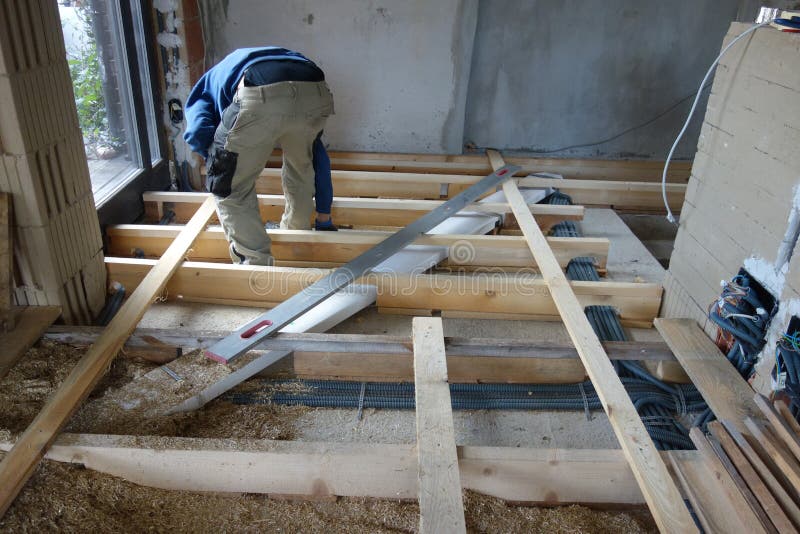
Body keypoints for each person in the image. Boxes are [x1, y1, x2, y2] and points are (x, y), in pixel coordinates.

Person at [184, 47, 336, 265]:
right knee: (302, 167)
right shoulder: (252, 61)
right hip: (315, 89)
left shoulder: (204, 89)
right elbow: (318, 157)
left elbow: (197, 131)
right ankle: (297, 232)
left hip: (258, 90)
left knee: (231, 188)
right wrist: (324, 216)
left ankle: (255, 263)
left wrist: (219, 166)